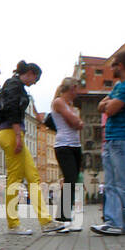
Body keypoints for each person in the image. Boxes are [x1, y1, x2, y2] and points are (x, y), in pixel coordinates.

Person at [0, 60, 59, 234]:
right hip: (11, 134)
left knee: (33, 177)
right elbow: (13, 110)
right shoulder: (15, 85)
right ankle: (13, 224)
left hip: (11, 134)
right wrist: (19, 137)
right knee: (14, 180)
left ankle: (45, 221)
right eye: (35, 79)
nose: (34, 83)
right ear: (29, 73)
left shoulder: (13, 85)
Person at [93, 50, 125, 236]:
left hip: (122, 139)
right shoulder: (118, 86)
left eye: (113, 64)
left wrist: (110, 103)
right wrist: (110, 103)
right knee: (111, 184)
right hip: (112, 139)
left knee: (122, 183)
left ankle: (124, 224)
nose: (111, 68)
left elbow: (110, 110)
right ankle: (112, 222)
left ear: (120, 65)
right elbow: (101, 106)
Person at [48, 82, 87, 226]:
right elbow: (73, 122)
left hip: (75, 145)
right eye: (75, 90)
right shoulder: (59, 102)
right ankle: (63, 217)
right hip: (64, 145)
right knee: (70, 179)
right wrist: (76, 121)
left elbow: (78, 123)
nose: (77, 93)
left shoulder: (70, 106)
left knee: (73, 179)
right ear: (70, 89)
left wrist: (77, 122)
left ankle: (65, 215)